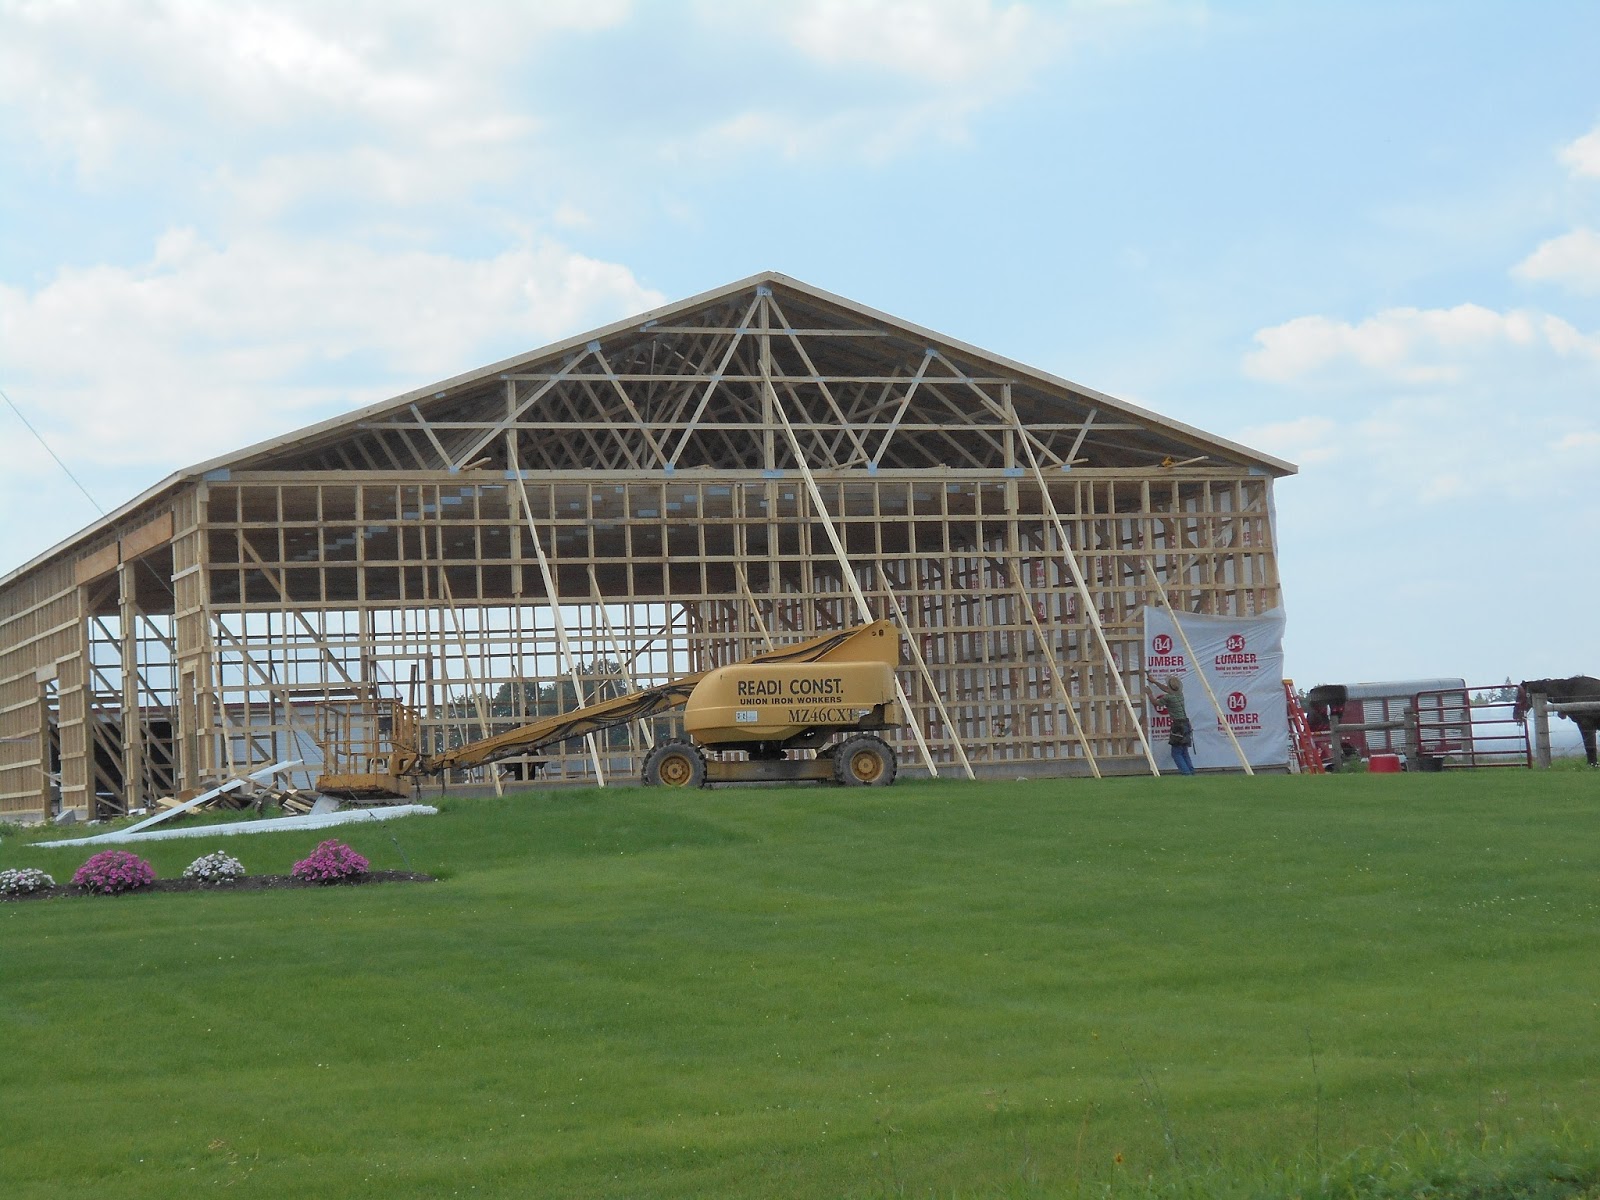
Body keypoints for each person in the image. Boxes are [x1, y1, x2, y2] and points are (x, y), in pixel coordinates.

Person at [1147, 675, 1196, 775]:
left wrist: (1150, 694)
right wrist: (1155, 682)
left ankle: (1186, 774)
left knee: (1176, 752)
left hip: (1178, 726)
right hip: (1186, 724)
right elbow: (1166, 689)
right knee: (1184, 751)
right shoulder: (1180, 694)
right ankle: (1191, 772)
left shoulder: (1168, 697)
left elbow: (1156, 703)